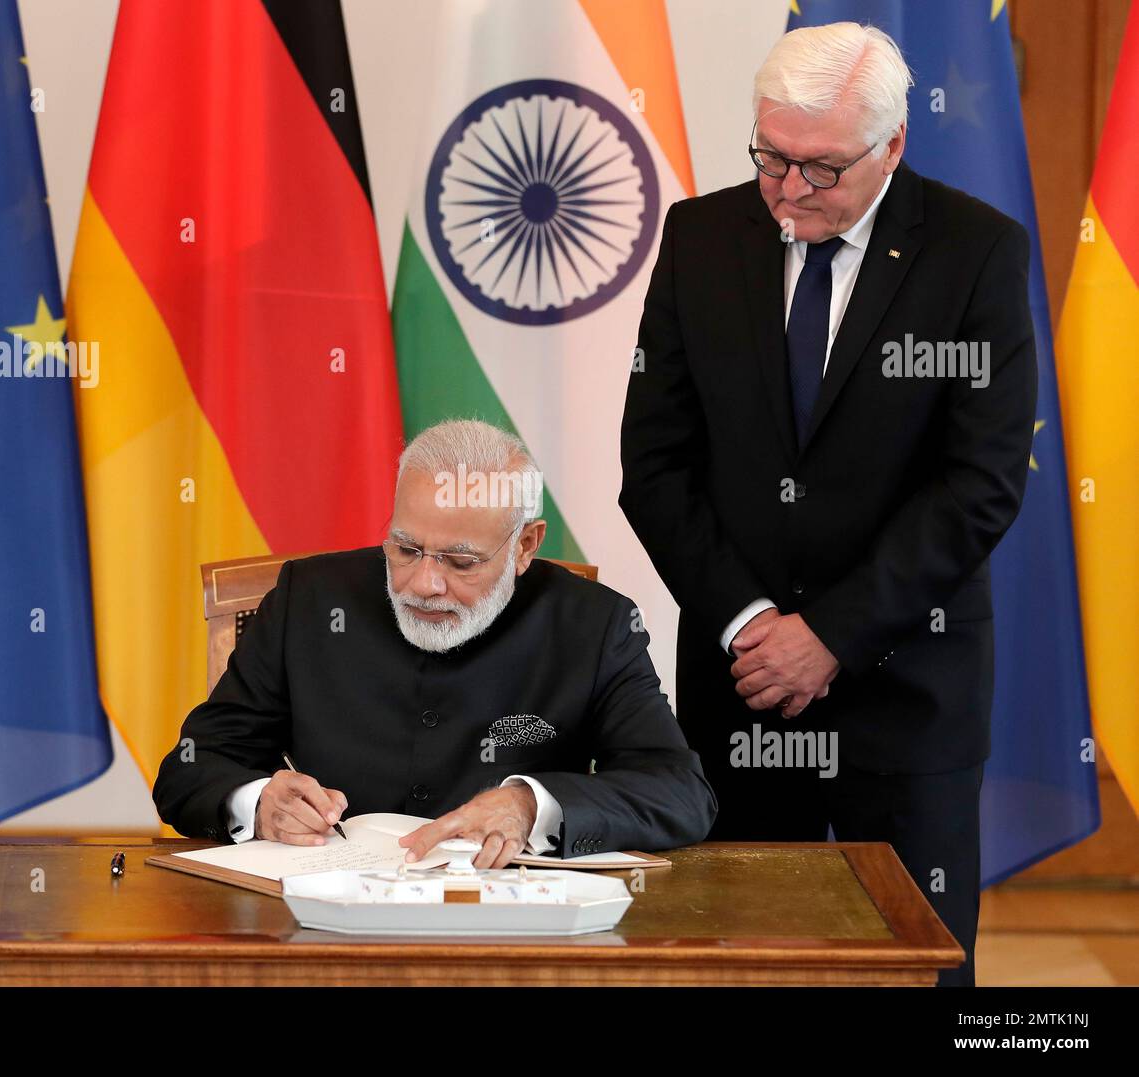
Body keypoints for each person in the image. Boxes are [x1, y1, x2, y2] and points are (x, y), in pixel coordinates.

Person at [619, 22, 1037, 986]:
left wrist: (833, 634)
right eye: (772, 159)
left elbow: (979, 483)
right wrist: (754, 624)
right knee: (742, 962)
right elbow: (655, 464)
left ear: (892, 145)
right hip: (745, 684)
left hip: (908, 691)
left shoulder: (976, 251)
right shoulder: (701, 237)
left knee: (919, 972)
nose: (790, 191)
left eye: (821, 169)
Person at [155, 418, 716, 867]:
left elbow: (680, 792)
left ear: (524, 546)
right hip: (324, 923)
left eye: (460, 561)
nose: (423, 584)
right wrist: (257, 805)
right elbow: (191, 767)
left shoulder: (596, 626)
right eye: (404, 548)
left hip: (513, 937)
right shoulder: (308, 598)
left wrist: (530, 805)